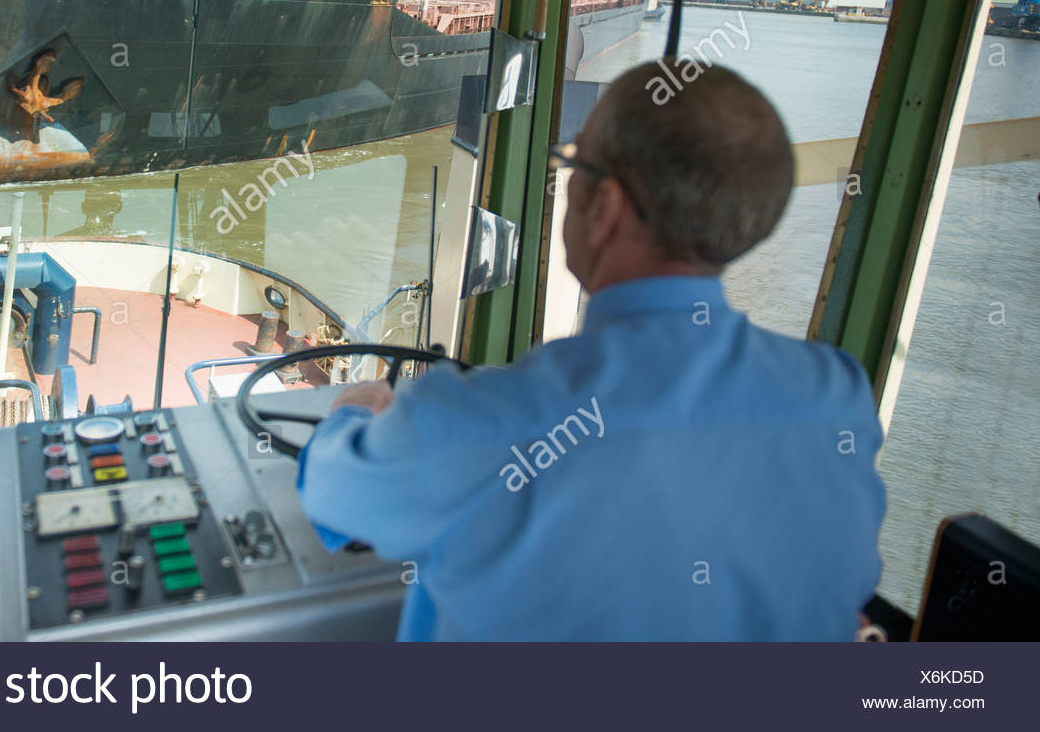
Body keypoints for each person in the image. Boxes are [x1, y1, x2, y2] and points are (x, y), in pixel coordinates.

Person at [297, 61, 886, 641]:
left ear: (604, 207)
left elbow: (332, 490)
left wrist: (357, 405)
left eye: (574, 162)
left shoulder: (481, 424)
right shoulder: (837, 396)